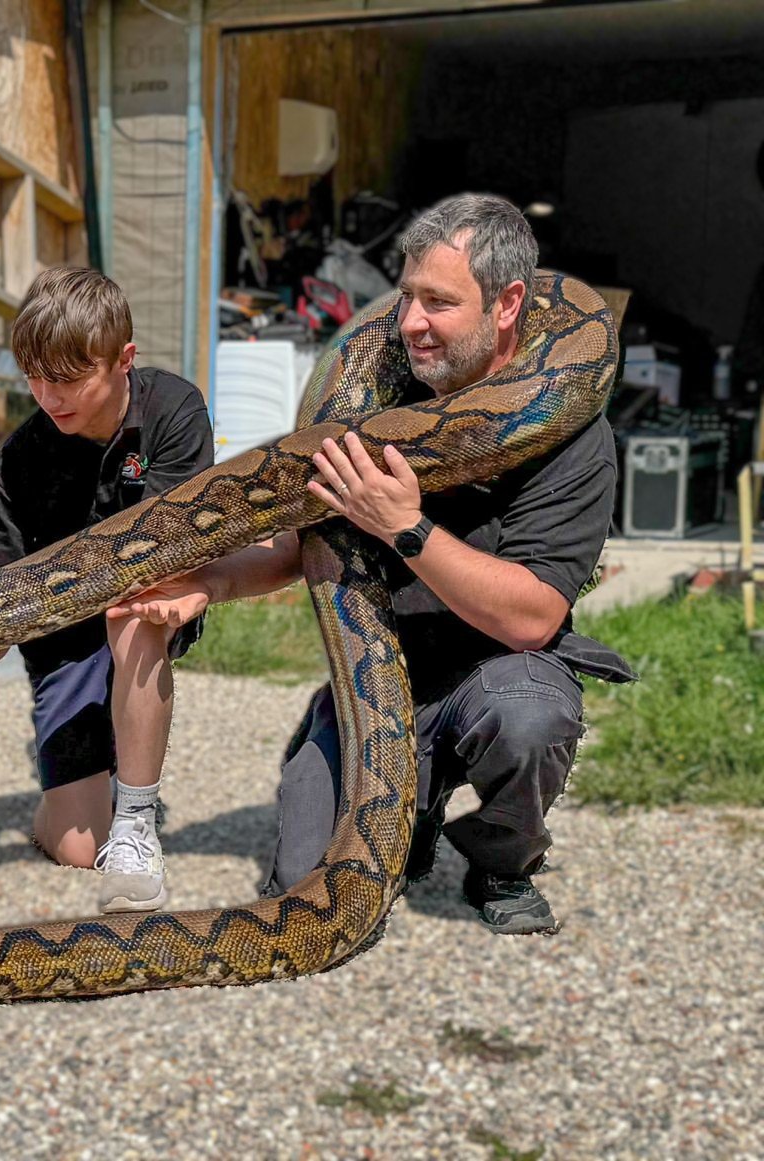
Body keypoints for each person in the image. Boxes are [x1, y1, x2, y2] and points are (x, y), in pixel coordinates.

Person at [114, 193, 635, 935]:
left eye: (439, 303)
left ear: (508, 304)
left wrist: (404, 525)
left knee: (529, 715)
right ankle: (409, 811)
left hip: (497, 668)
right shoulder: (372, 410)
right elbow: (302, 540)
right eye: (407, 296)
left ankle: (502, 860)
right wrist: (209, 580)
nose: (409, 321)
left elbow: (532, 616)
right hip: (380, 667)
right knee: (305, 888)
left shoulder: (571, 435)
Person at [0, 266, 214, 913]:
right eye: (34, 378)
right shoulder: (17, 461)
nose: (48, 396)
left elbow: (169, 549)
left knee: (135, 606)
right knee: (76, 846)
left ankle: (137, 819)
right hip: (62, 644)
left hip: (152, 602)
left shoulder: (173, 410)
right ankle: (88, 778)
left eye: (67, 378)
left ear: (124, 359)